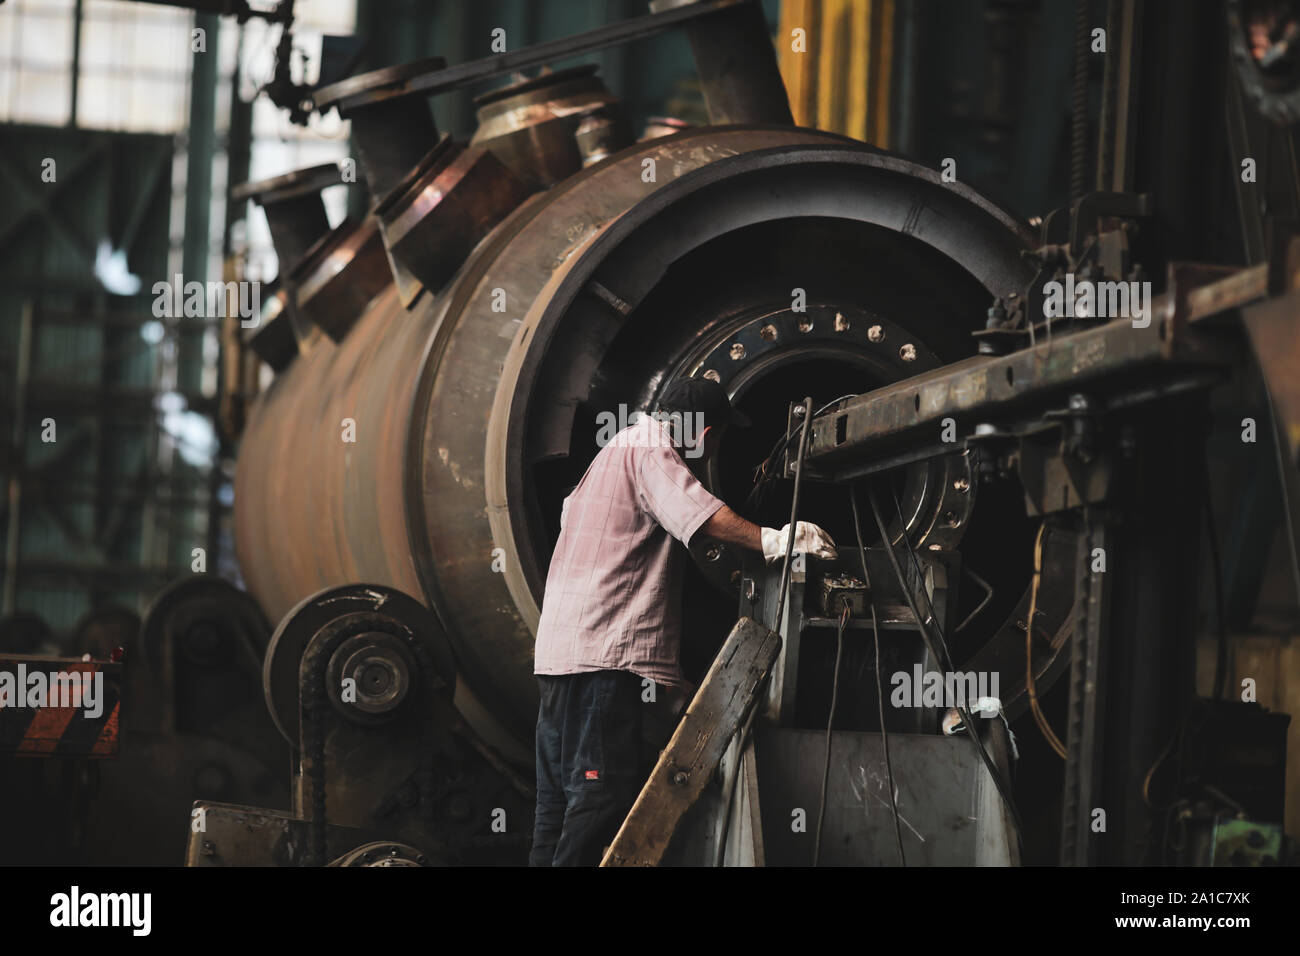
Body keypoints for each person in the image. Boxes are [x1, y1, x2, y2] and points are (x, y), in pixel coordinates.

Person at [528, 376, 837, 866]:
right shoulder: (651, 449)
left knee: (557, 804)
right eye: (718, 438)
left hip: (560, 659)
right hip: (601, 663)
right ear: (705, 431)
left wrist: (677, 687)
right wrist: (777, 540)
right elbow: (701, 514)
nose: (714, 449)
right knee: (600, 797)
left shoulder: (615, 450)